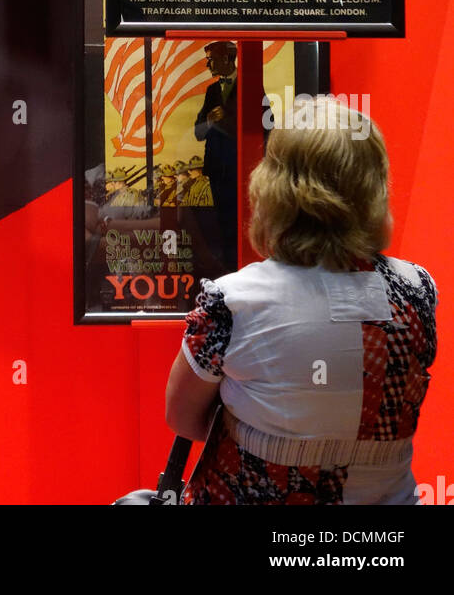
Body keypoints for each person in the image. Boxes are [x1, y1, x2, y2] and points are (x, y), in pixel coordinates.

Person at [166, 99, 437, 505]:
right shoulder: (418, 288)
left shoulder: (233, 300)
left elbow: (182, 417)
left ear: (275, 187)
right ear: (374, 187)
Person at [194, 40, 239, 273]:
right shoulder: (212, 91)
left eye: (211, 59)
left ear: (226, 59)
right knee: (222, 221)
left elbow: (263, 129)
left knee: (238, 221)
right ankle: (227, 269)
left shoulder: (252, 85)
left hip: (239, 169)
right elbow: (198, 132)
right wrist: (210, 120)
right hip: (216, 169)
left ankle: (238, 265)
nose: (207, 64)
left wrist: (227, 120)